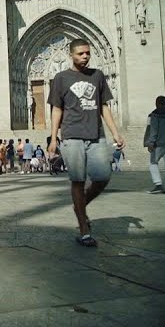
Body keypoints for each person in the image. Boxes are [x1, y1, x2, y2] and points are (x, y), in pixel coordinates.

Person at [47, 39, 125, 248]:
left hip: (96, 134)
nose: (85, 56)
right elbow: (56, 110)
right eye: (81, 53)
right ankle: (84, 229)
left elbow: (104, 107)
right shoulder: (60, 78)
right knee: (78, 181)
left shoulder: (97, 76)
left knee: (103, 177)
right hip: (72, 135)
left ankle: (79, 205)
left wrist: (115, 133)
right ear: (71, 55)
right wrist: (53, 139)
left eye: (87, 53)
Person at [144, 95, 165, 194]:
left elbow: (153, 130)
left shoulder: (154, 115)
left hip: (158, 144)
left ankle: (158, 184)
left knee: (153, 163)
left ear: (157, 103)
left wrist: (151, 142)